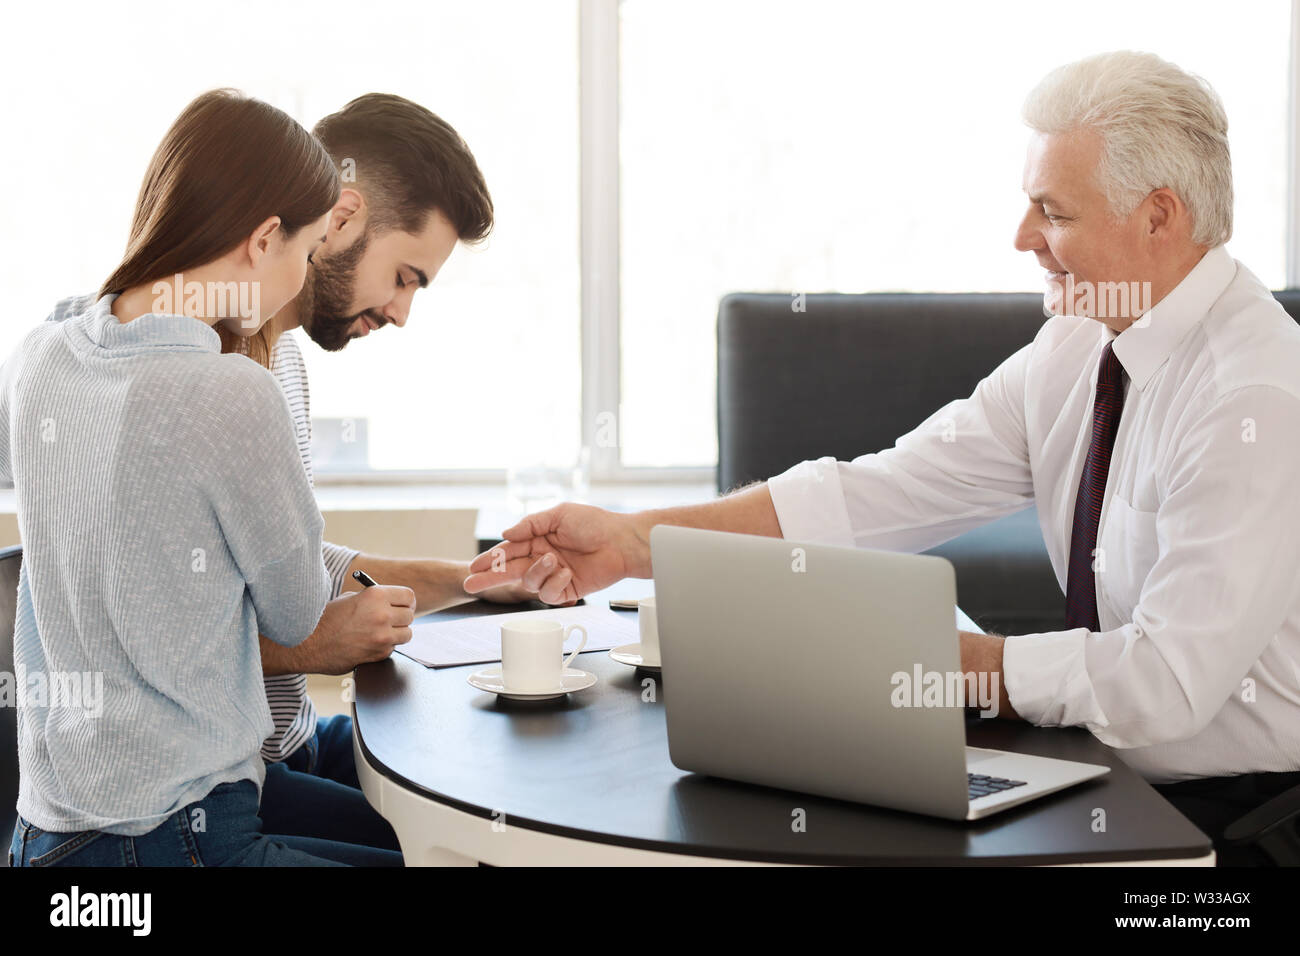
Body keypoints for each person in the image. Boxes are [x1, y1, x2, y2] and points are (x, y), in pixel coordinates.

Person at [464, 52, 1300, 865]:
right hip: (1115, 768)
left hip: (1239, 819)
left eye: (1054, 211)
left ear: (1159, 216)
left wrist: (954, 666)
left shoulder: (1252, 398)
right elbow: (879, 494)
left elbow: (1166, 680)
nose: (1022, 237)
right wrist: (633, 542)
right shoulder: (1077, 347)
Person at [4, 89, 402, 866]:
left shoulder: (38, 356)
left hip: (47, 835)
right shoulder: (233, 390)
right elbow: (293, 613)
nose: (301, 283)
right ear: (262, 240)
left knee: (399, 836)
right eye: (309, 253)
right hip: (170, 832)